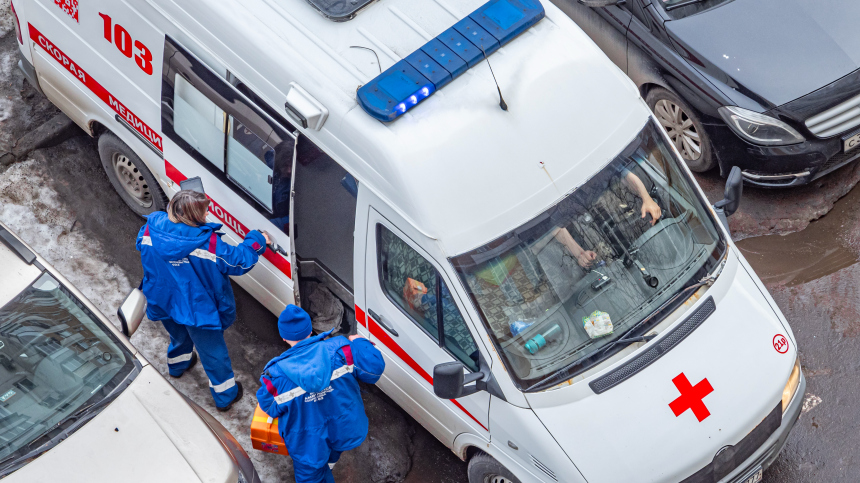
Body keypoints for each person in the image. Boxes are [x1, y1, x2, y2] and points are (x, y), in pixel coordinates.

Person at [136, 190, 269, 411]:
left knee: (178, 335)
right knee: (213, 355)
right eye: (205, 211)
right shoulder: (209, 243)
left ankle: (178, 365)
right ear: (194, 216)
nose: (208, 214)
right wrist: (257, 240)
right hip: (197, 309)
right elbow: (240, 262)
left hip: (163, 298)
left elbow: (142, 247)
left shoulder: (151, 227)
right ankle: (225, 396)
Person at [257, 305, 385, 483]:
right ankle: (328, 465)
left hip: (309, 443)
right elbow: (373, 370)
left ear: (284, 337)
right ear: (310, 330)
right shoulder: (342, 350)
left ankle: (322, 470)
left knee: (312, 475)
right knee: (333, 451)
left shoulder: (276, 377)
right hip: (343, 428)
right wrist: (359, 342)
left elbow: (269, 406)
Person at [554, 169, 662, 268]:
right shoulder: (560, 197)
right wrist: (580, 254)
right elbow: (554, 228)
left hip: (640, 235)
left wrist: (647, 199)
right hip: (608, 259)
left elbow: (625, 173)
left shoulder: (597, 166)